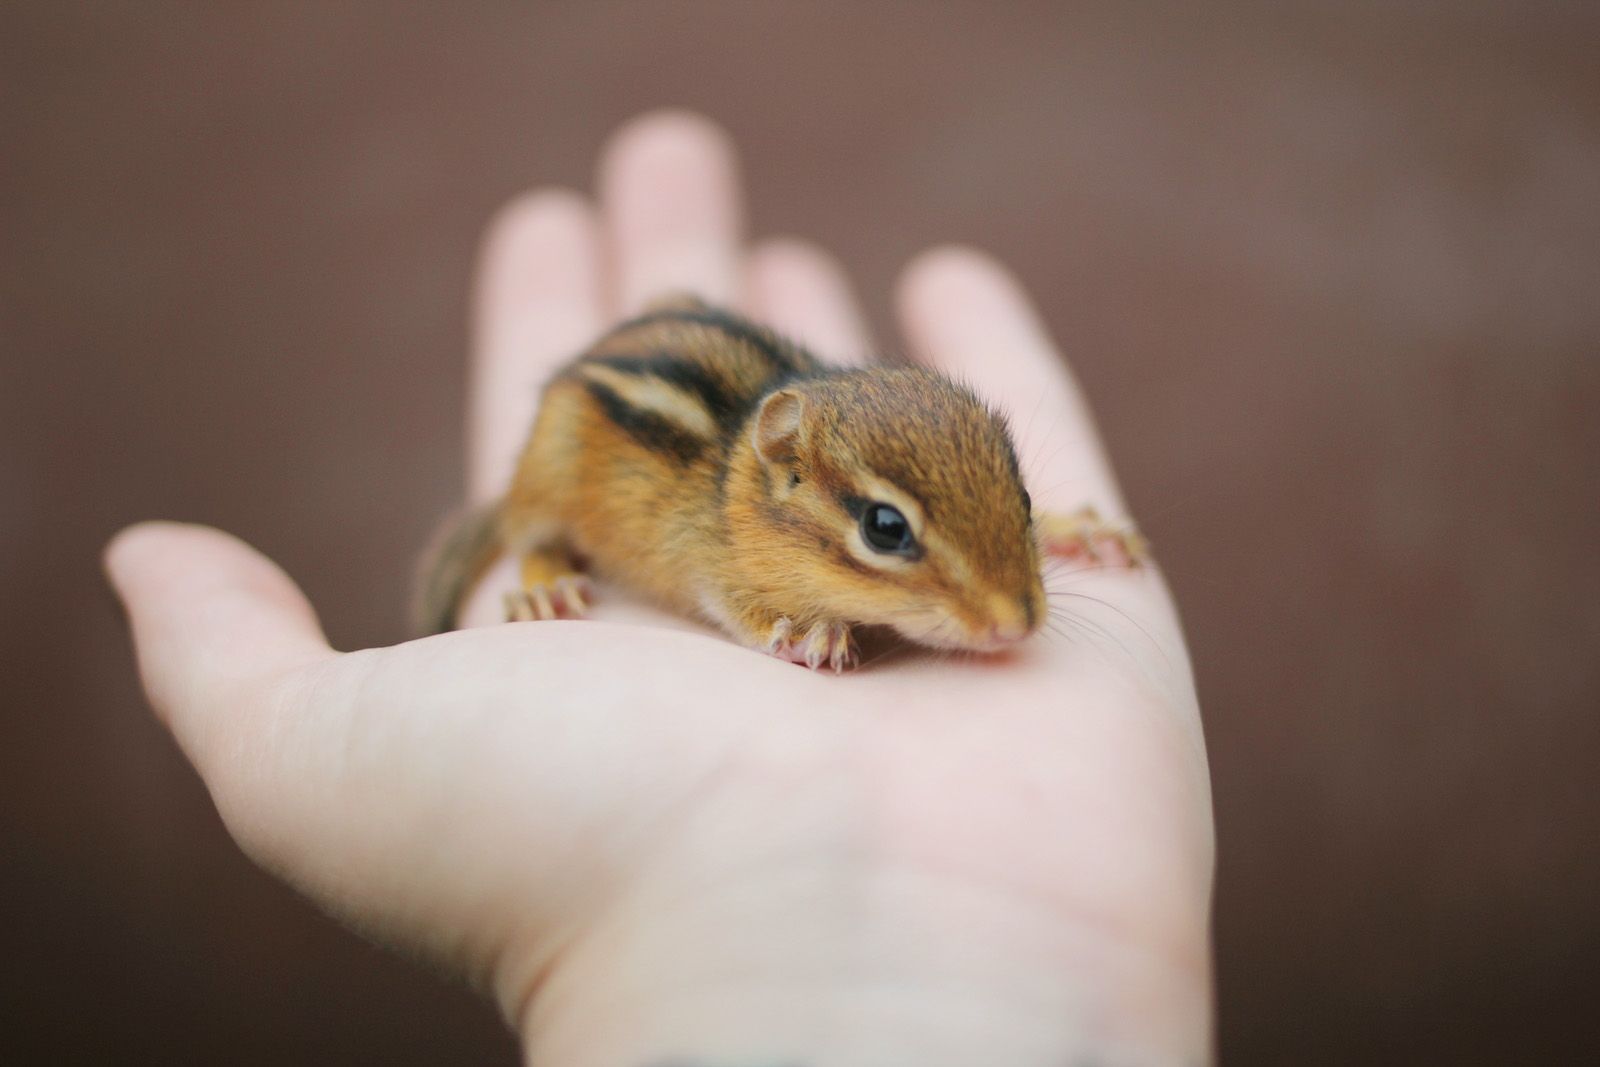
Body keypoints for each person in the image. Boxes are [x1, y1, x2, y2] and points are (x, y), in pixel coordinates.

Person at [105, 110, 1214, 1066]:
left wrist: (1035, 536)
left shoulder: (911, 524)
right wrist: (752, 613)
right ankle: (537, 547)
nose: (1006, 620)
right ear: (783, 470)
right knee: (553, 473)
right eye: (888, 533)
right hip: (616, 442)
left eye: (1013, 518)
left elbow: (980, 544)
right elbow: (718, 578)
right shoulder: (738, 526)